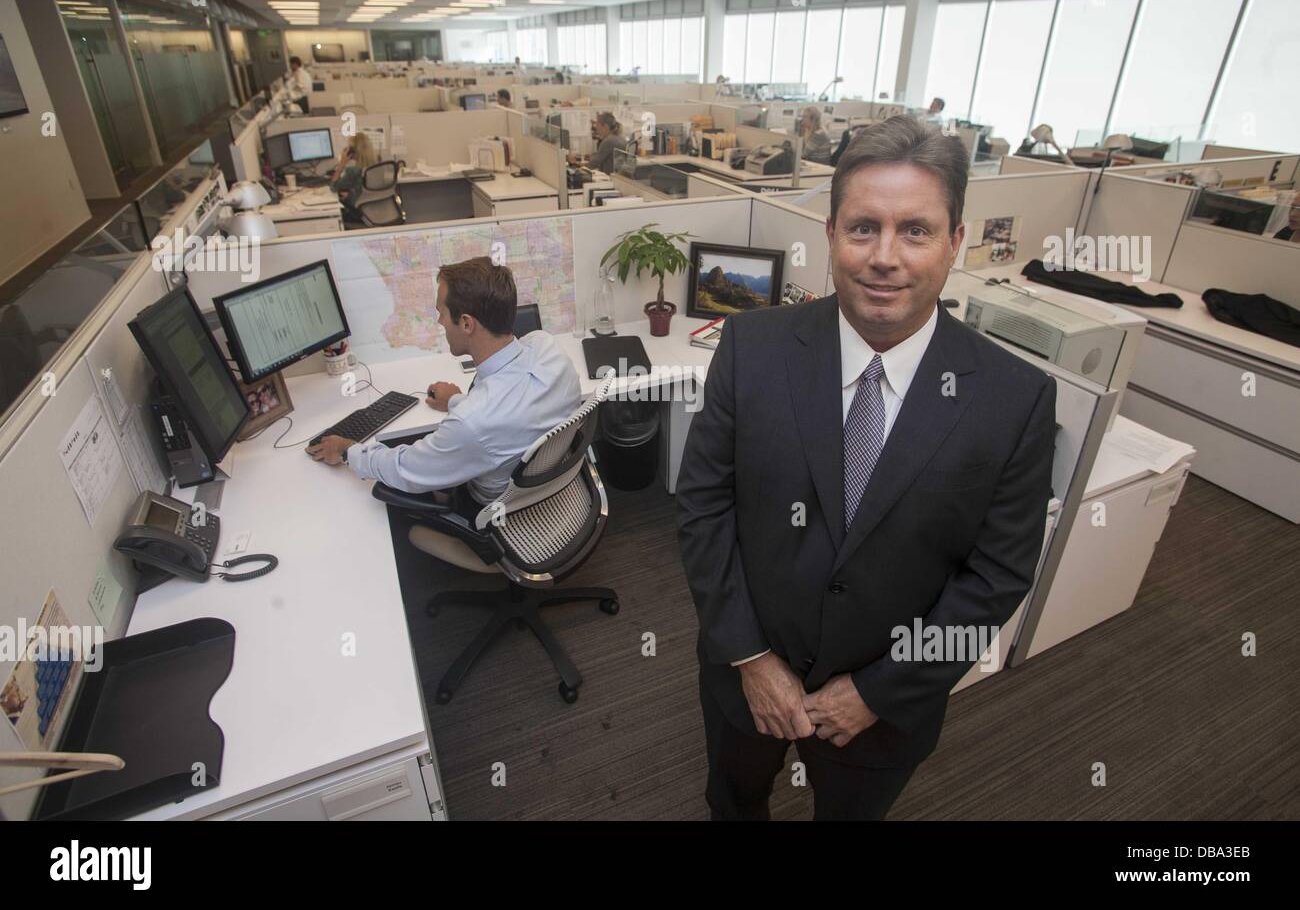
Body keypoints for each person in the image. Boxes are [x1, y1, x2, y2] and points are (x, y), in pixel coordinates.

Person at [676, 115, 1056, 821]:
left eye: (915, 230)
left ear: (956, 242)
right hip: (745, 676)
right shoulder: (752, 348)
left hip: (888, 711)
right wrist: (751, 657)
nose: (886, 256)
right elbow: (703, 507)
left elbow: (997, 575)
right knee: (733, 801)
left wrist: (880, 691)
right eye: (862, 228)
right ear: (829, 235)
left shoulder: (1015, 398)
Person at [307, 258, 583, 544]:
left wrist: (347, 451)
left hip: (494, 514)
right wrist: (456, 401)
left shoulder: (472, 422)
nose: (439, 320)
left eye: (441, 312)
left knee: (407, 526)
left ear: (466, 323)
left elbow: (405, 469)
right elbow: (514, 412)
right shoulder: (547, 348)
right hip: (549, 492)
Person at [328, 132, 379, 224]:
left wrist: (342, 164)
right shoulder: (378, 167)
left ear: (352, 151)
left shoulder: (354, 171)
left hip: (360, 214)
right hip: (378, 211)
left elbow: (333, 187)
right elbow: (366, 190)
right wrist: (351, 193)